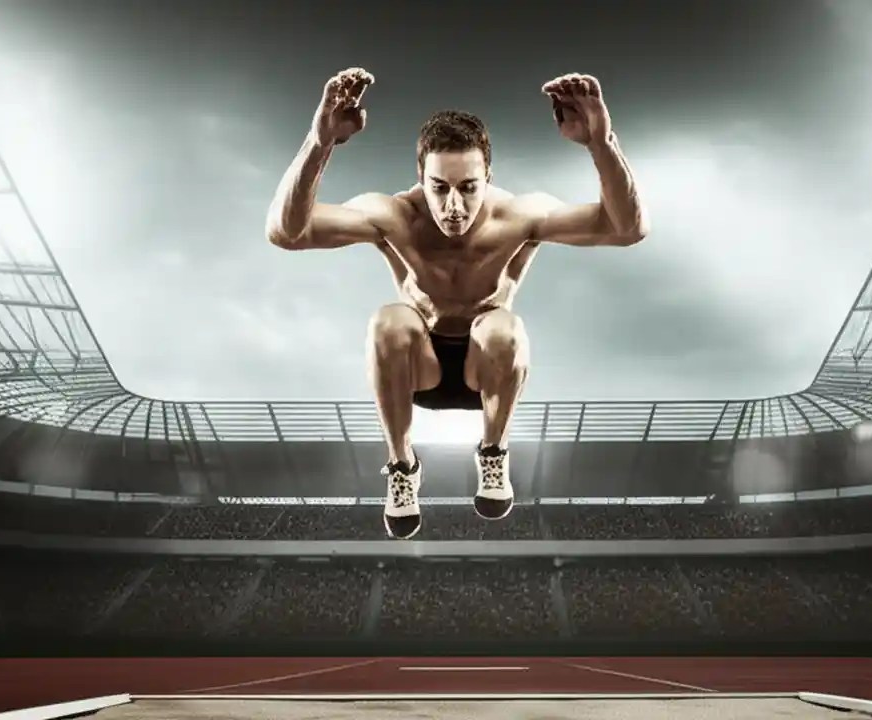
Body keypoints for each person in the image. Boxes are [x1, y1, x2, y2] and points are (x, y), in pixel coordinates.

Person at [266, 67, 649, 540]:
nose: (453, 206)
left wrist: (602, 144)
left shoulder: (519, 215)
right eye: (440, 187)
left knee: (502, 326)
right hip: (417, 368)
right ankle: (402, 466)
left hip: (486, 371)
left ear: (487, 177)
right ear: (421, 178)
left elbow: (626, 228)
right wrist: (319, 142)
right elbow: (287, 233)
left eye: (468, 187)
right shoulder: (396, 215)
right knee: (390, 320)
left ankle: (493, 452)